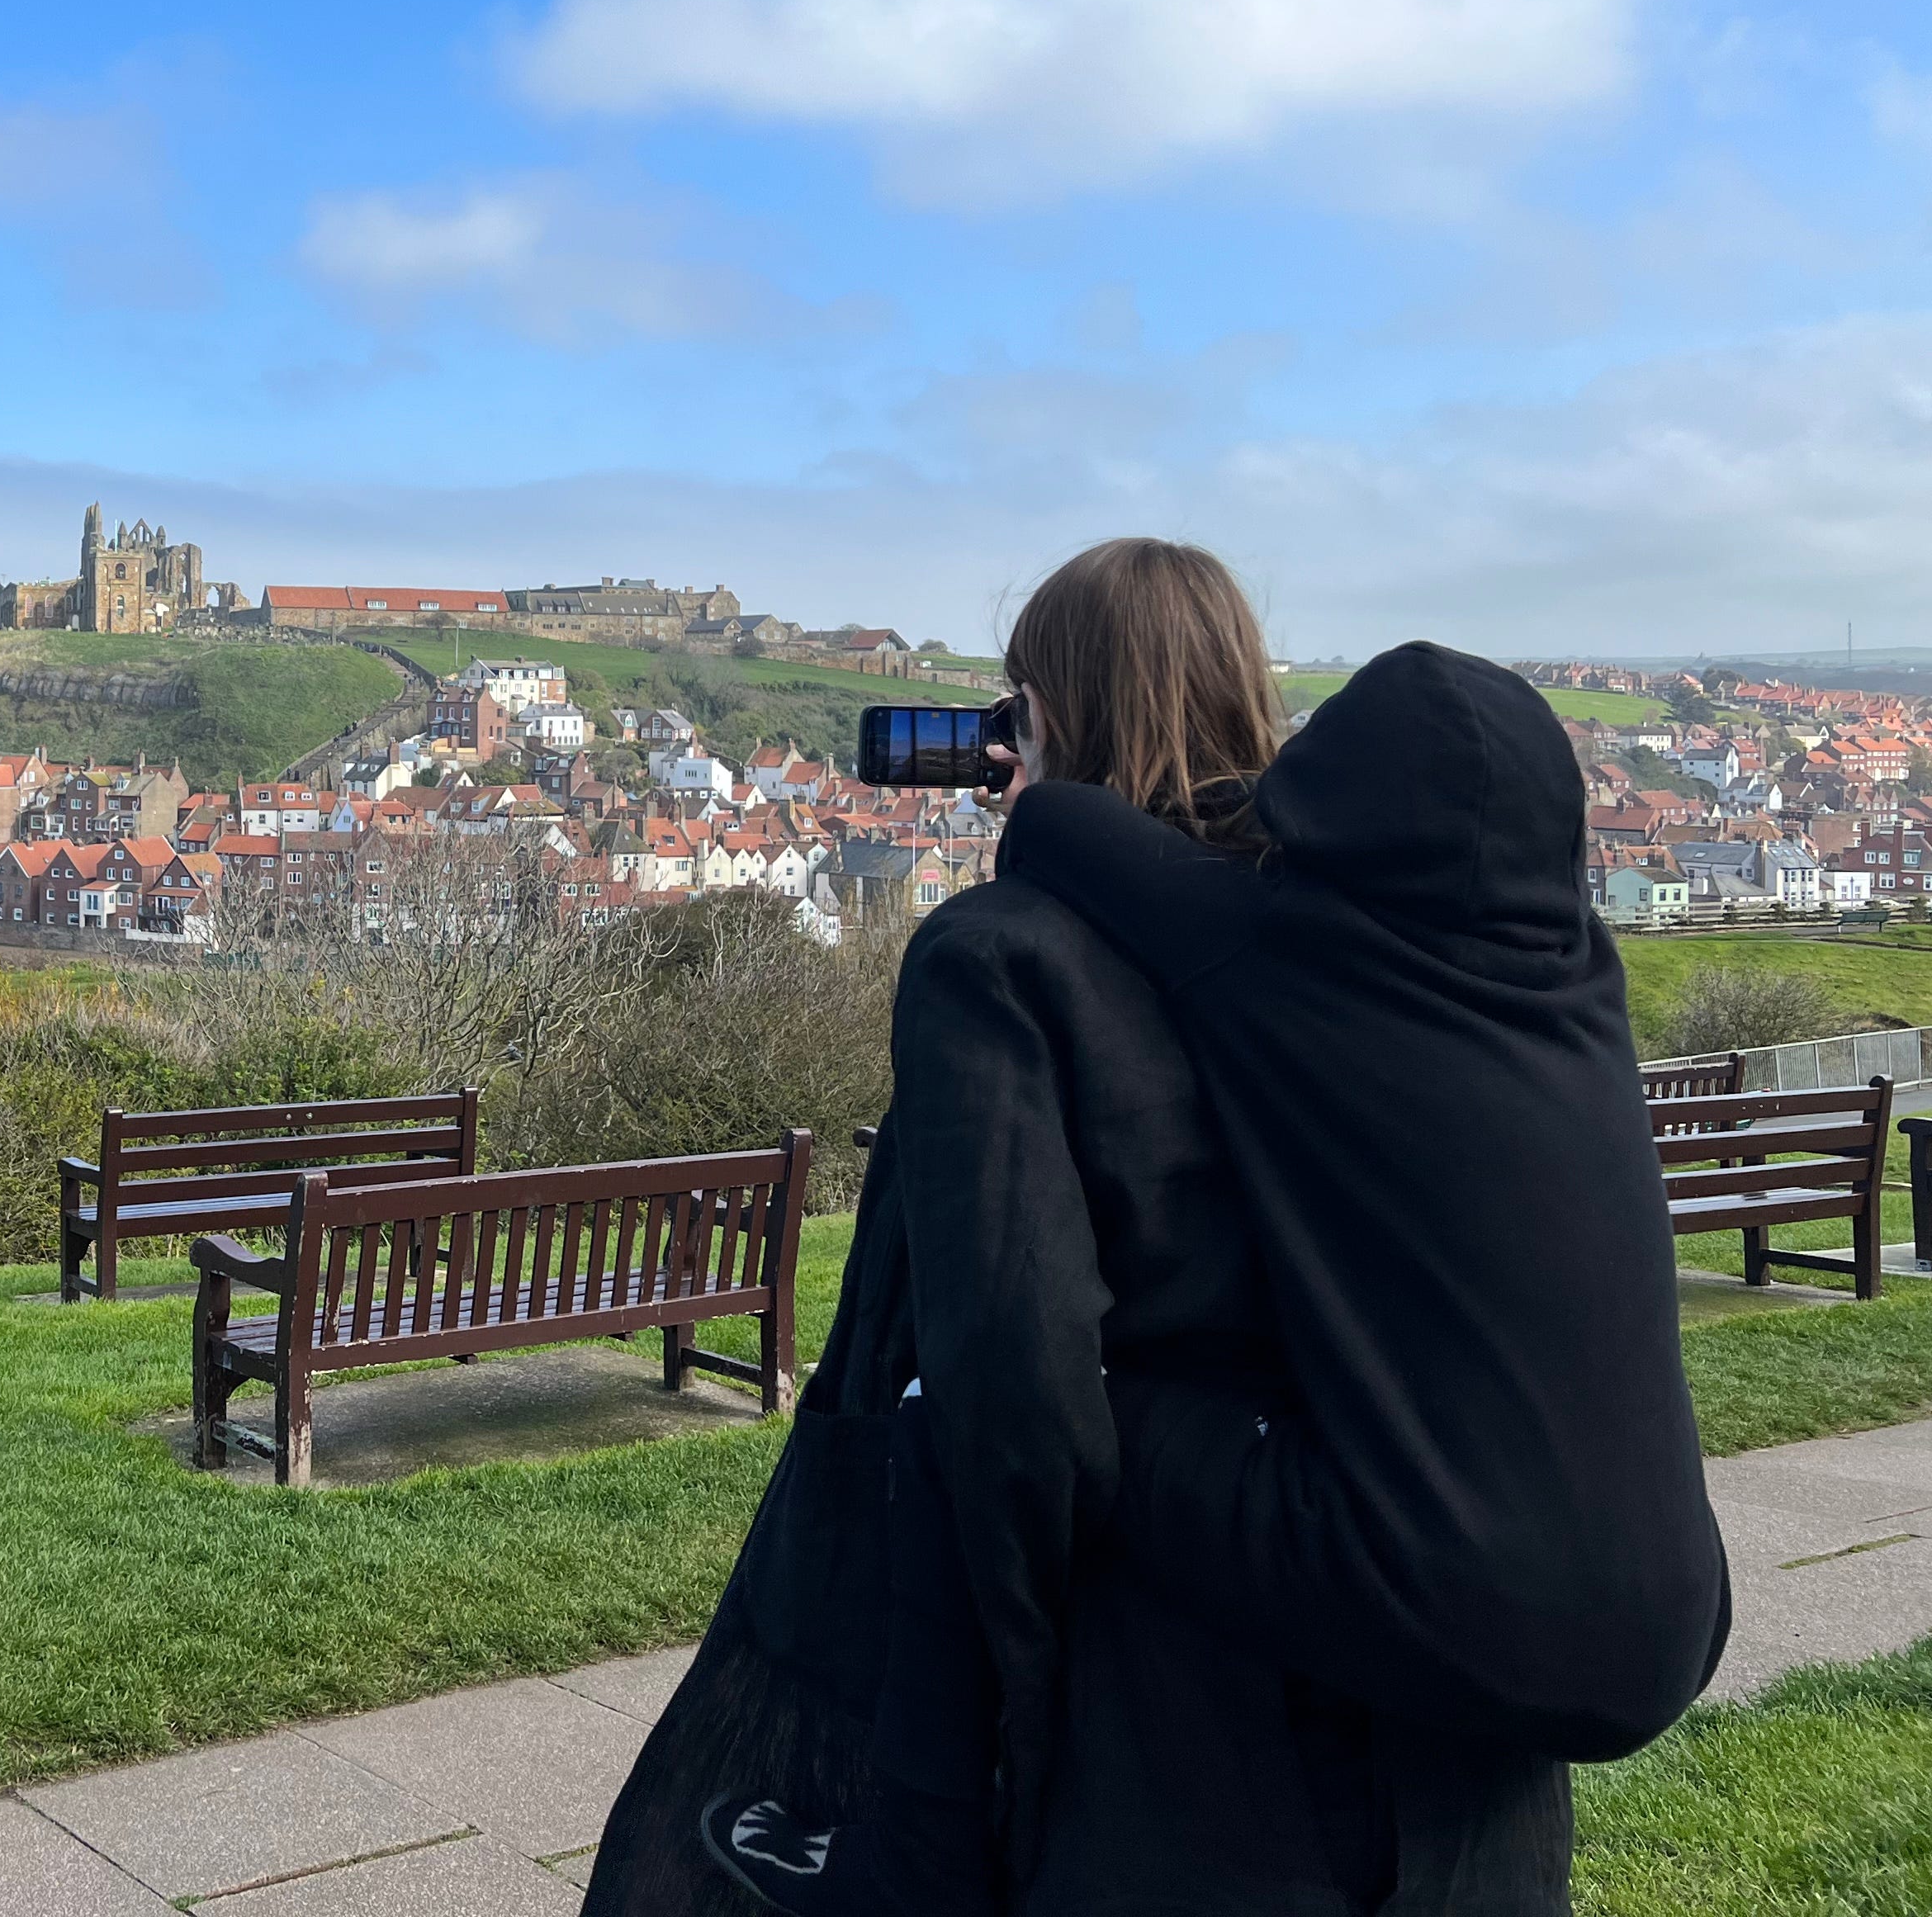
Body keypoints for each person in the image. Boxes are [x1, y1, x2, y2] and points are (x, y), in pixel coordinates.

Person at [591, 538, 1691, 1917]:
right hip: (1472, 1785)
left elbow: (1006, 1398)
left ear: (1040, 718)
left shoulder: (1010, 958)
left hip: (1189, 1769)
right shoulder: (1384, 956)